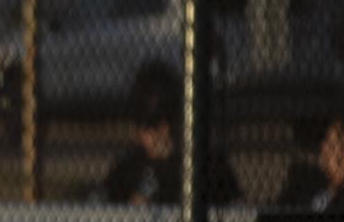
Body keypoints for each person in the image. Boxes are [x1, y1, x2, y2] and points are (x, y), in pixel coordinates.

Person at [93, 67, 243, 207]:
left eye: (170, 120)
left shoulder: (208, 165)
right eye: (151, 126)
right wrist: (139, 199)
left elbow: (238, 207)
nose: (165, 132)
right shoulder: (128, 169)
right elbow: (99, 206)